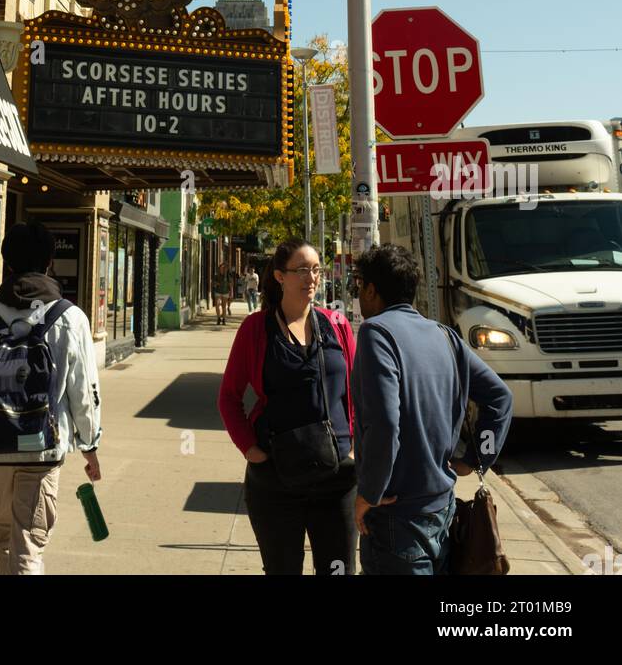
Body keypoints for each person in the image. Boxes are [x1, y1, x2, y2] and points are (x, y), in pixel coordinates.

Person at [351, 244, 513, 576]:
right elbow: (500, 397)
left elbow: (384, 423)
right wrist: (475, 459)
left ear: (371, 289)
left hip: (396, 520)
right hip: (442, 510)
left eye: (359, 287)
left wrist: (369, 493)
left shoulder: (376, 333)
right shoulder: (445, 336)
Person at [0, 221, 102, 575]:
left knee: (6, 539)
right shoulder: (71, 318)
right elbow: (84, 392)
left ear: (7, 263)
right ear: (51, 262)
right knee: (29, 547)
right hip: (43, 449)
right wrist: (90, 446)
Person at [218, 239, 358, 575]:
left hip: (336, 478)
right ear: (280, 276)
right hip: (276, 480)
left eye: (316, 270)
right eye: (301, 270)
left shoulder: (337, 324)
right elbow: (229, 397)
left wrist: (355, 446)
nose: (311, 278)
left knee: (339, 570)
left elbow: (356, 393)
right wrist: (251, 449)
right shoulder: (255, 329)